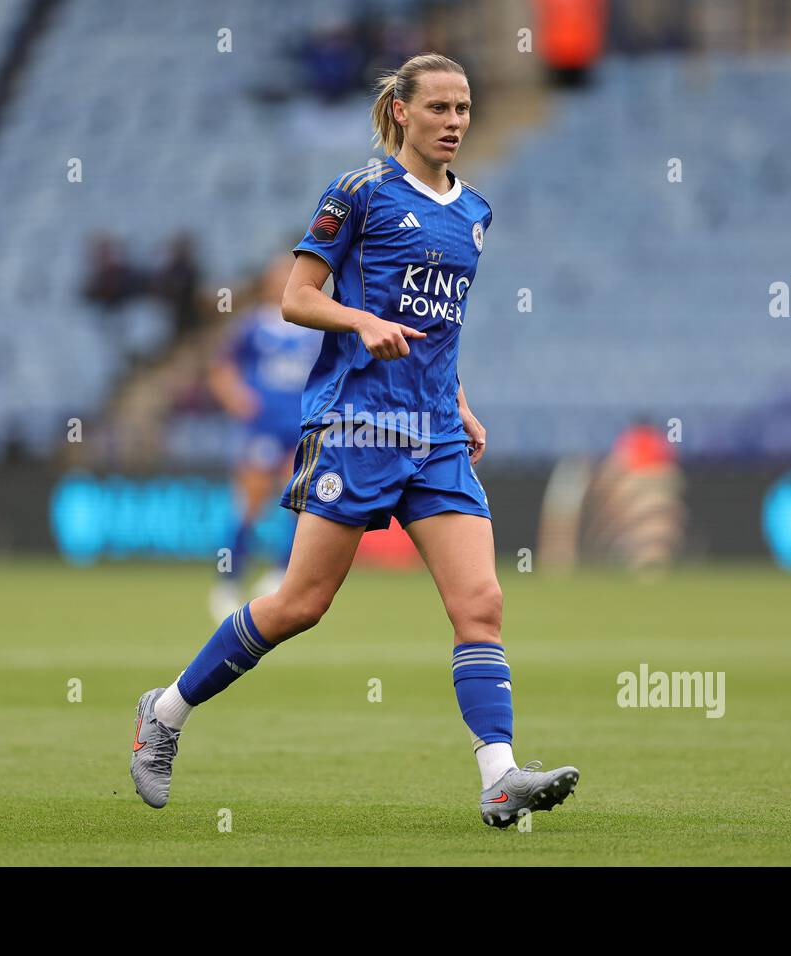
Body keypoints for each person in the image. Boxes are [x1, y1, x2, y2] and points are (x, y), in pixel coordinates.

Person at [131, 53, 579, 828]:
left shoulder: (475, 210)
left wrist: (462, 404)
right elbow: (298, 297)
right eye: (438, 107)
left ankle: (499, 775)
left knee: (482, 602)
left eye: (465, 108)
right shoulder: (360, 192)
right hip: (357, 427)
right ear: (401, 112)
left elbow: (441, 332)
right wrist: (362, 320)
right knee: (301, 603)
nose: (455, 121)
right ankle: (166, 712)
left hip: (434, 433)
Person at [206, 253, 322, 620]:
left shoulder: (316, 325)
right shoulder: (254, 326)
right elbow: (221, 367)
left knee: (298, 503)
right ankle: (228, 582)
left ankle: (279, 572)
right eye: (279, 275)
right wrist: (236, 398)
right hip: (263, 428)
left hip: (302, 427)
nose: (284, 280)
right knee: (250, 504)